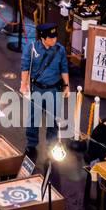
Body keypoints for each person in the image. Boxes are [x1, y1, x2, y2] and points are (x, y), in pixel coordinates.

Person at [21, 23, 68, 155]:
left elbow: (64, 68)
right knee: (34, 118)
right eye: (51, 38)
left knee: (53, 119)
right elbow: (25, 67)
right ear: (43, 37)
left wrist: (67, 85)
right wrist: (23, 84)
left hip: (54, 89)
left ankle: (51, 145)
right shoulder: (31, 48)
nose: (54, 40)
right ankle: (31, 144)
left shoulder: (60, 49)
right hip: (37, 88)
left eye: (55, 37)